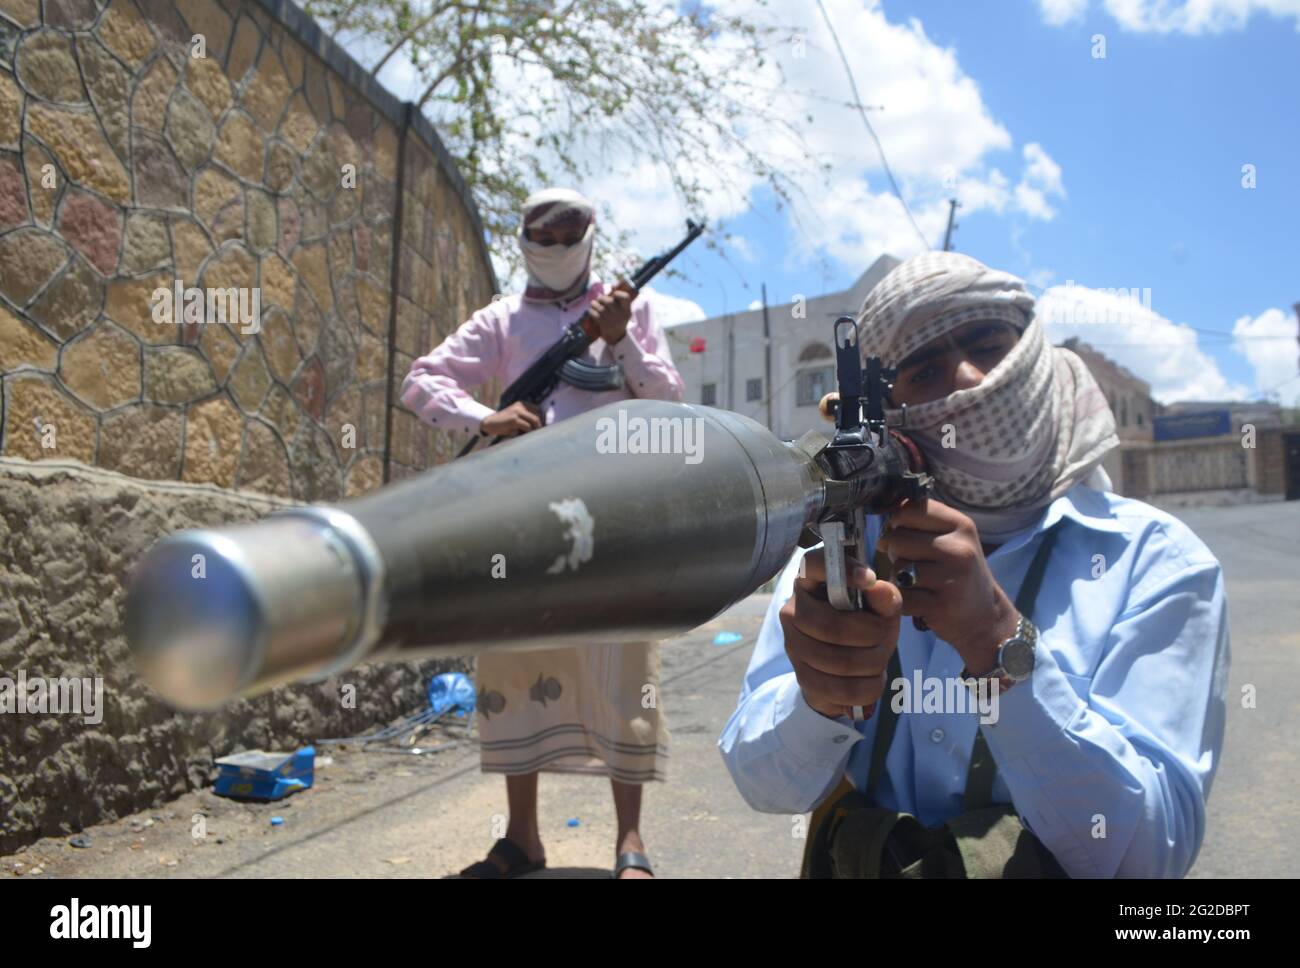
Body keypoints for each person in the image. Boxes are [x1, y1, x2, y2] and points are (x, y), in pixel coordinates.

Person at [718, 251, 1229, 878]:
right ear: (887, 411)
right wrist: (819, 701)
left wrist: (1000, 648)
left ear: (1033, 352)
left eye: (987, 343)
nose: (965, 377)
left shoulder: (1153, 561)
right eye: (924, 368)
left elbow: (1151, 856)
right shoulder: (842, 545)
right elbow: (763, 787)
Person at [401, 188, 685, 878]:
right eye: (543, 234)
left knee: (623, 669)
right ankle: (522, 839)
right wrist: (483, 417)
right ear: (525, 238)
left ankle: (630, 842)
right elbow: (421, 383)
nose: (556, 247)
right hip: (523, 515)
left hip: (613, 513)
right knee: (515, 667)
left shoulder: (632, 310)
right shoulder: (500, 321)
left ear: (591, 234)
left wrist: (618, 337)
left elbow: (670, 402)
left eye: (569, 233)